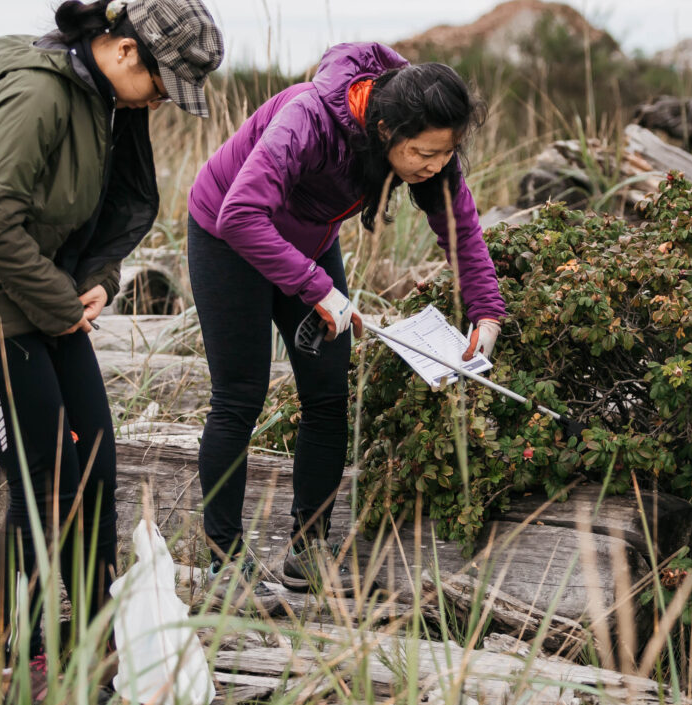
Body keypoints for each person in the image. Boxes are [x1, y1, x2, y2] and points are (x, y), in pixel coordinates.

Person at [0, 0, 222, 705]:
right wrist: (60, 305)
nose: (161, 102)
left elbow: (98, 209)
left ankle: (97, 644)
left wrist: (100, 280)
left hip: (46, 307)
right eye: (162, 85)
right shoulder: (40, 96)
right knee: (43, 483)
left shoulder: (104, 99)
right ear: (126, 51)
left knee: (94, 471)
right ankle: (20, 663)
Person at [187, 43, 507, 607]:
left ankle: (306, 550)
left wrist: (486, 310)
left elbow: (461, 228)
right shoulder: (307, 119)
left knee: (330, 393)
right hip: (227, 237)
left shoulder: (428, 140)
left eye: (446, 153)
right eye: (423, 153)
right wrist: (315, 288)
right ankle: (224, 563)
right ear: (384, 130)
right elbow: (239, 214)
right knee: (239, 396)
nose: (434, 165)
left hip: (307, 245)